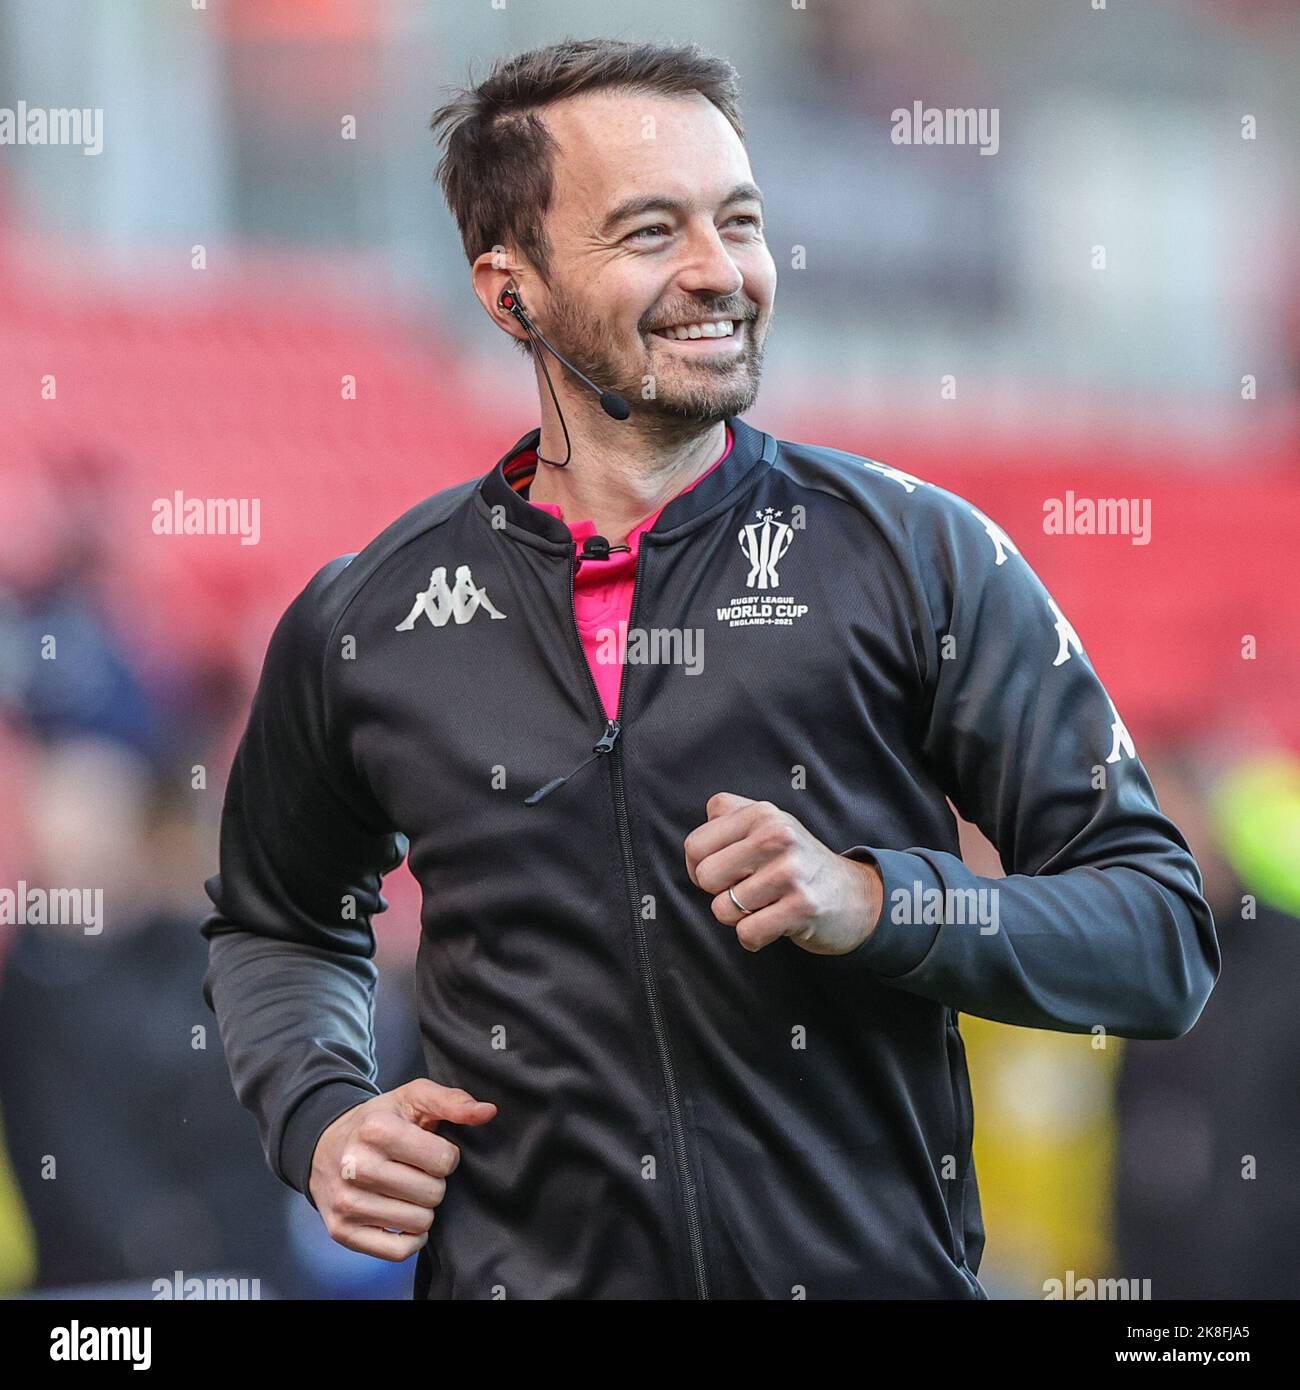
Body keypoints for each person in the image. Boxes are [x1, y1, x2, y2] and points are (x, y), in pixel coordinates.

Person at [200, 37, 1219, 1300]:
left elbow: (1160, 934)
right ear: (509, 291)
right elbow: (278, 920)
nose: (717, 271)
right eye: (647, 232)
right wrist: (319, 1114)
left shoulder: (917, 557)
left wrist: (879, 900)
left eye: (737, 220)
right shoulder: (368, 616)